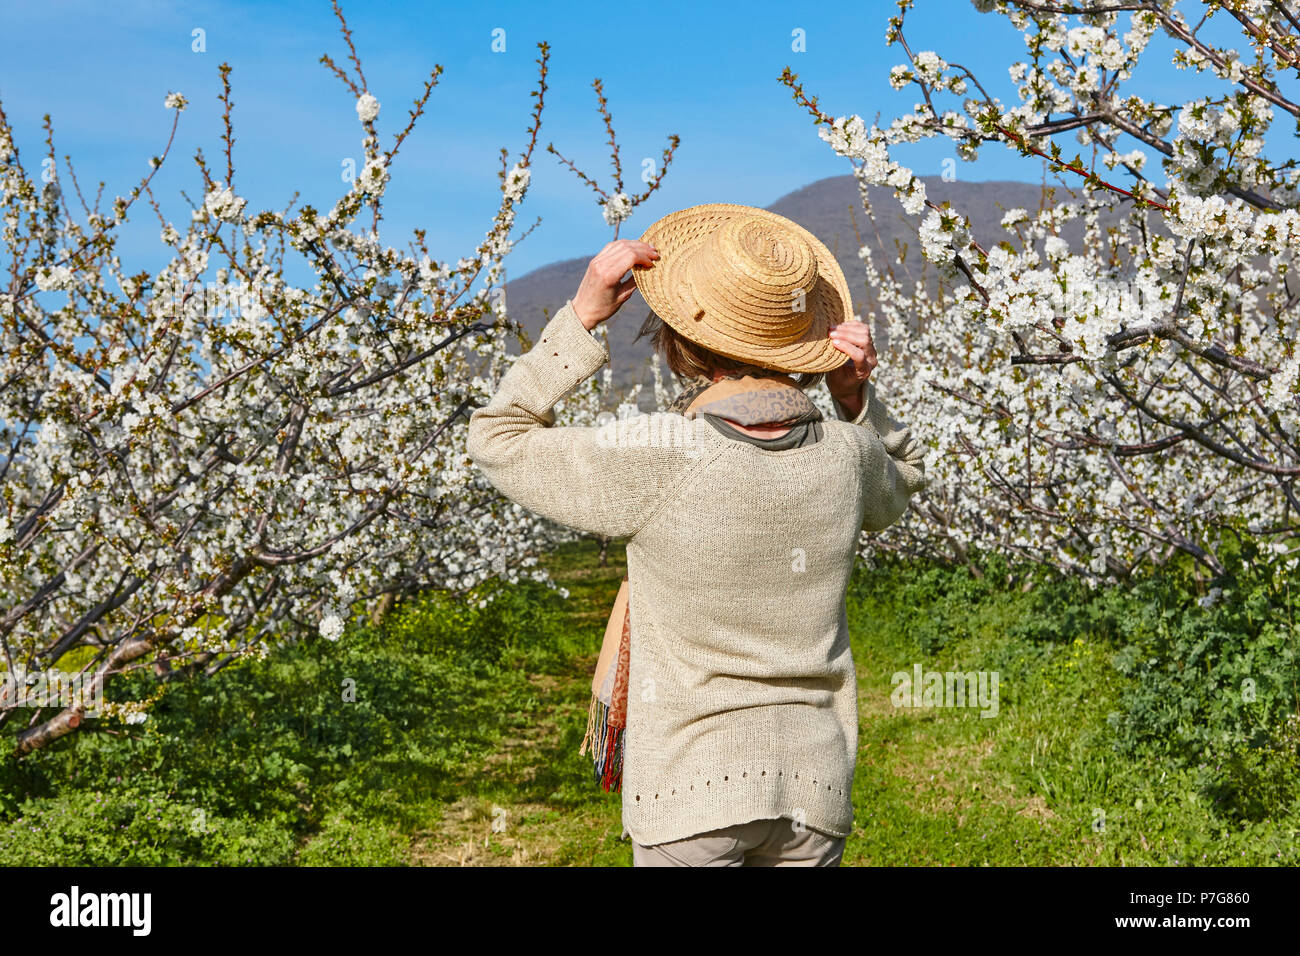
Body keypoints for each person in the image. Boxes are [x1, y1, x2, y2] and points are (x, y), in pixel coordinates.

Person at [466, 203, 928, 866]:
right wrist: (854, 398)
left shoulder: (656, 453)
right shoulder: (849, 456)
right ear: (803, 344)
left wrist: (581, 319)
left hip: (692, 790)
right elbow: (905, 481)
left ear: (682, 338)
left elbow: (497, 437)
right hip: (814, 786)